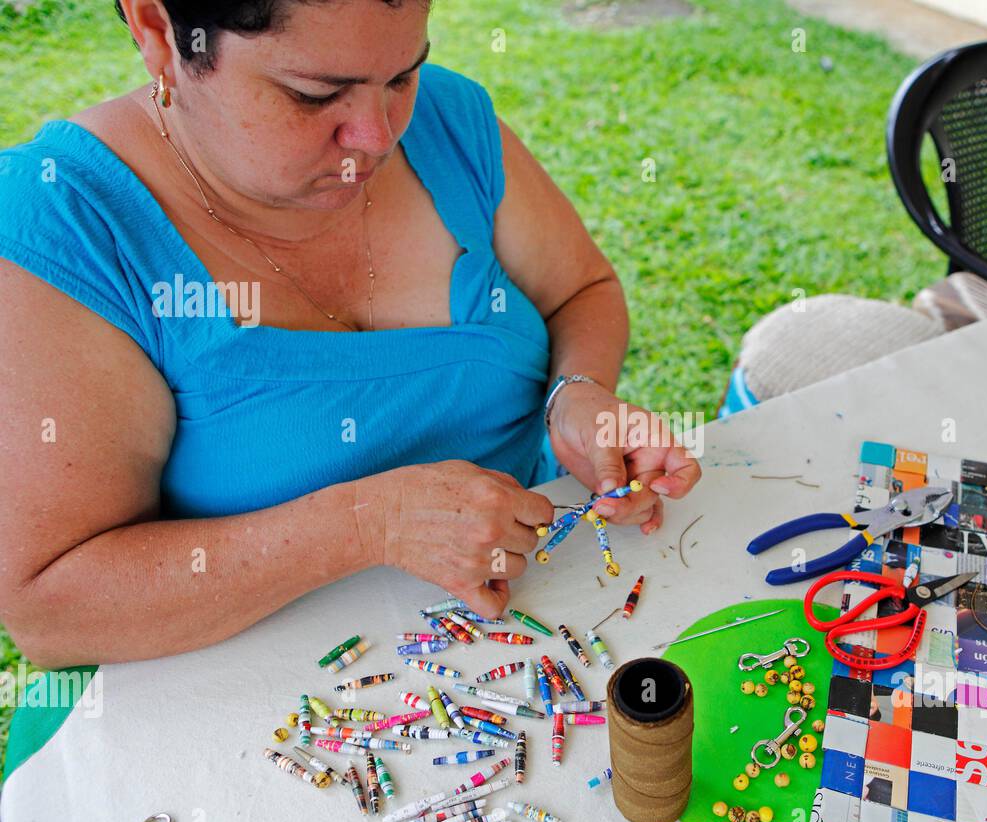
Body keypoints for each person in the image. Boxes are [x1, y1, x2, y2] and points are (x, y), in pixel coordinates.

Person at [0, 0, 700, 668]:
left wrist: (576, 395)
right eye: (313, 93)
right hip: (237, 707)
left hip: (529, 631)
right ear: (157, 29)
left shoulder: (450, 122)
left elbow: (581, 291)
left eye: (402, 75)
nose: (378, 134)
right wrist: (371, 524)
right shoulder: (68, 222)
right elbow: (49, 612)